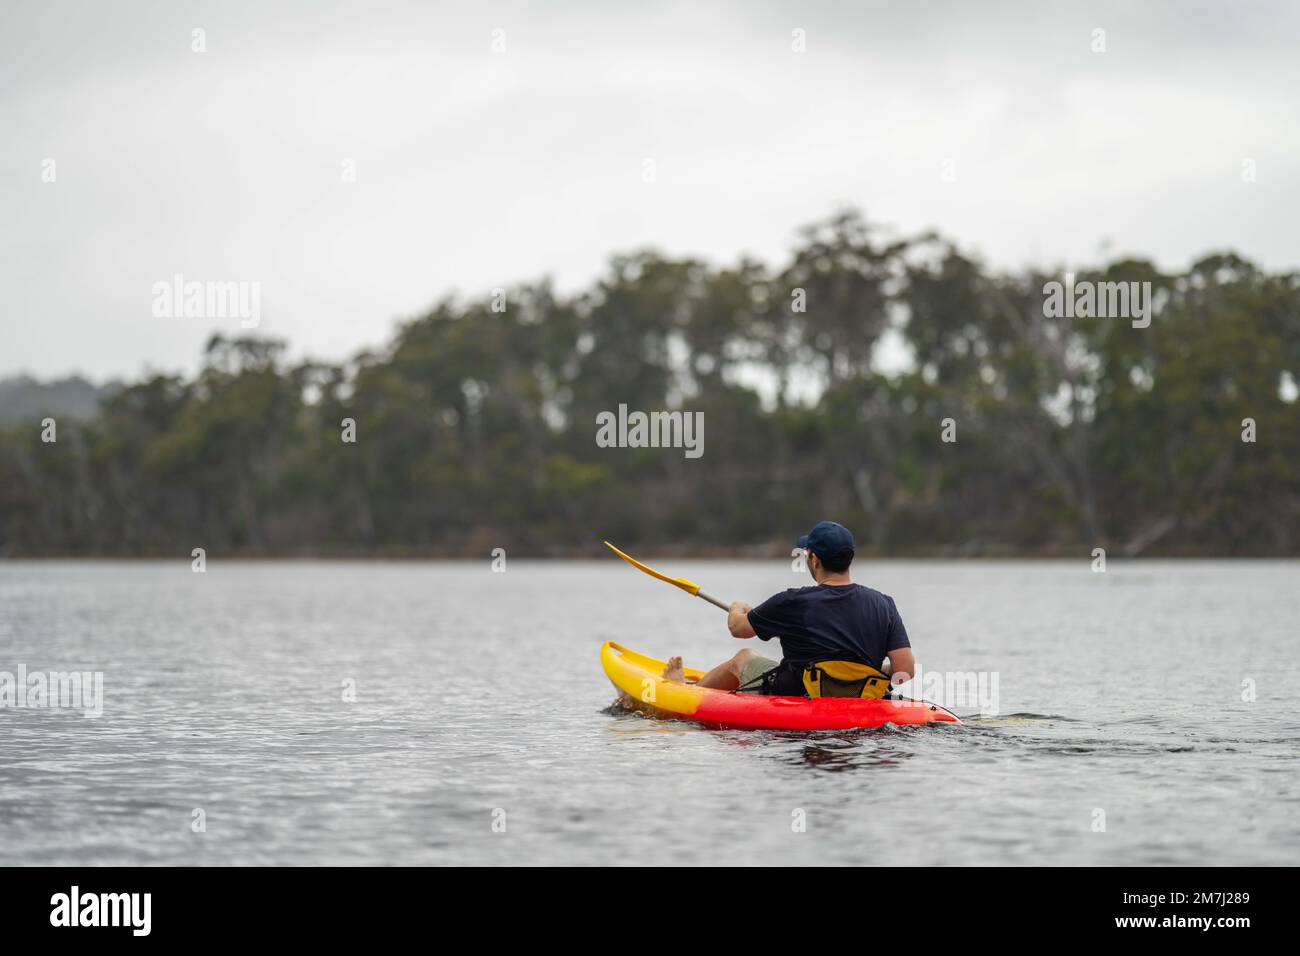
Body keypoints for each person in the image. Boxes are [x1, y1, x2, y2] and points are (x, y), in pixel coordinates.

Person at [662, 521, 915, 696]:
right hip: (863, 695)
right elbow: (905, 670)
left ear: (814, 559)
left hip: (798, 692)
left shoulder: (794, 601)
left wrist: (737, 608)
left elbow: (738, 628)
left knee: (743, 657)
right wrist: (859, 672)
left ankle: (684, 692)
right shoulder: (884, 604)